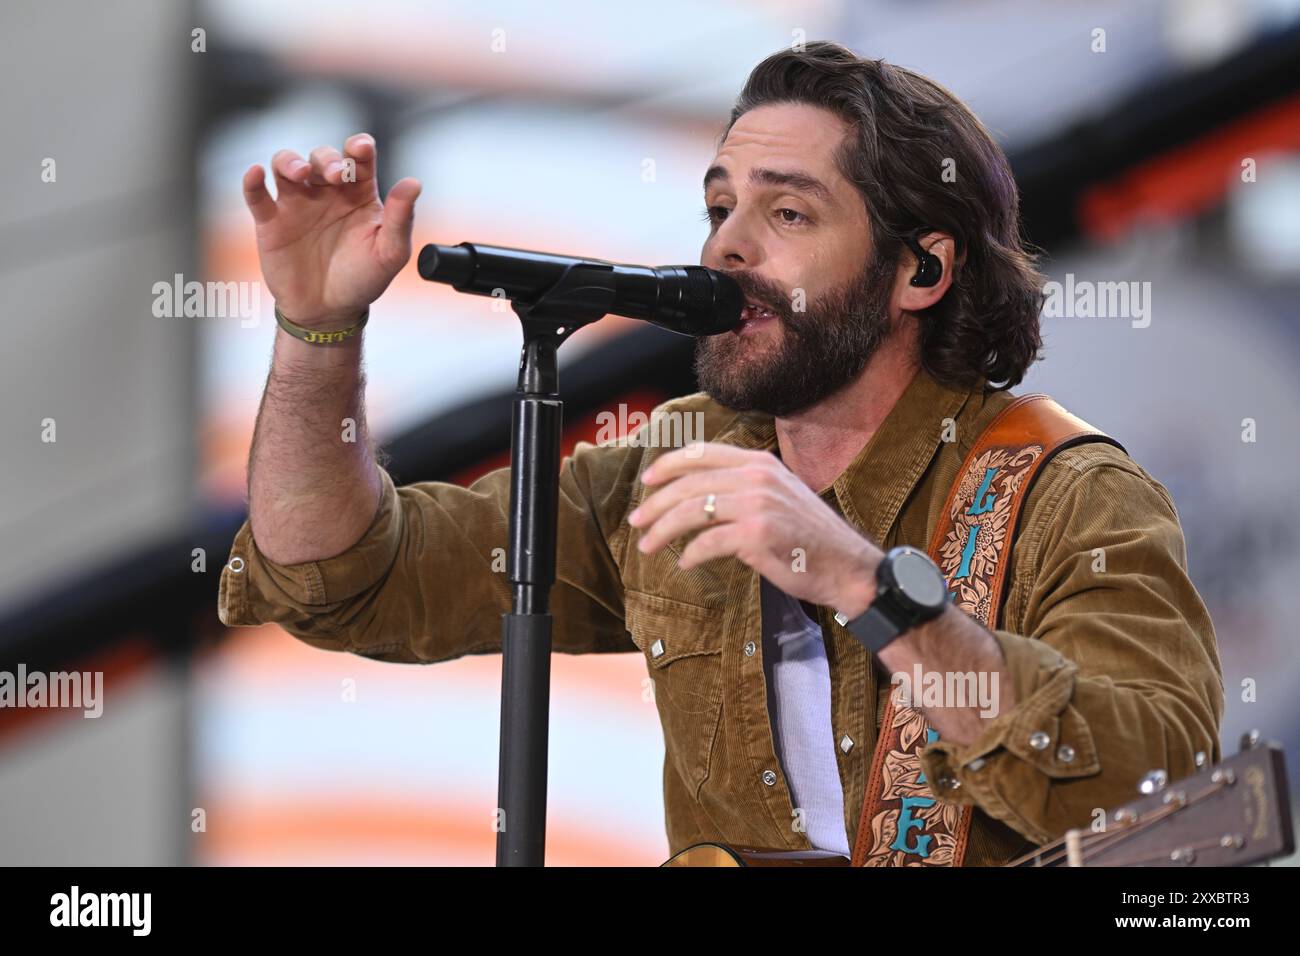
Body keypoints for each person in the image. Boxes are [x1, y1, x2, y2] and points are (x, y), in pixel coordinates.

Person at [219, 41, 1223, 865]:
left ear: (919, 267)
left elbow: (1159, 793)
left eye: (785, 212)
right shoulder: (673, 462)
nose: (723, 250)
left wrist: (859, 579)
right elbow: (339, 572)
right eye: (718, 208)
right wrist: (317, 330)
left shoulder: (1067, 494)